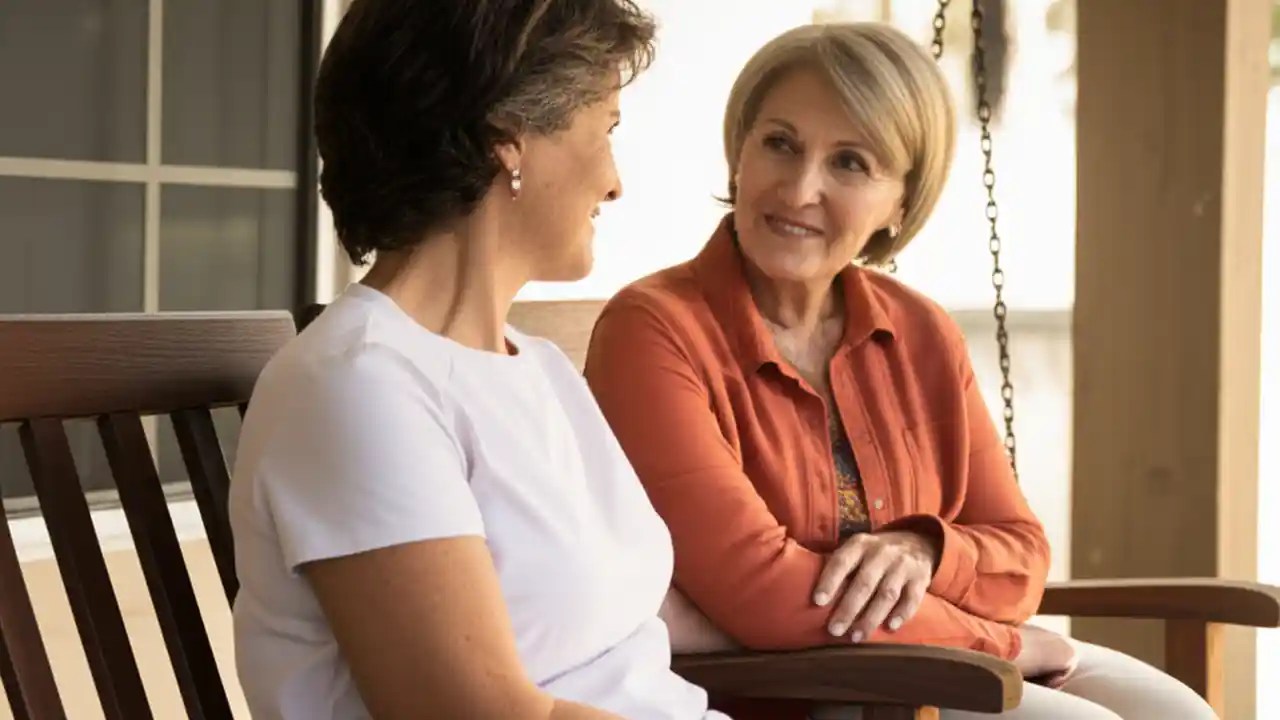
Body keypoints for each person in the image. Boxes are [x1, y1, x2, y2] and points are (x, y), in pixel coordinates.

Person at [582, 21, 1218, 720]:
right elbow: (759, 591)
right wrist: (999, 643)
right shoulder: (653, 330)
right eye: (780, 144)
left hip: (933, 656)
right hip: (798, 685)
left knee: (1179, 714)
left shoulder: (920, 330)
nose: (799, 189)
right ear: (740, 151)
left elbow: (1022, 556)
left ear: (902, 203)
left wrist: (924, 549)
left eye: (849, 163)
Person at [228, 1, 734, 718]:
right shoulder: (358, 387)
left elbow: (636, 621)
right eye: (607, 128)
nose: (616, 181)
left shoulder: (539, 368)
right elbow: (476, 712)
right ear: (509, 139)